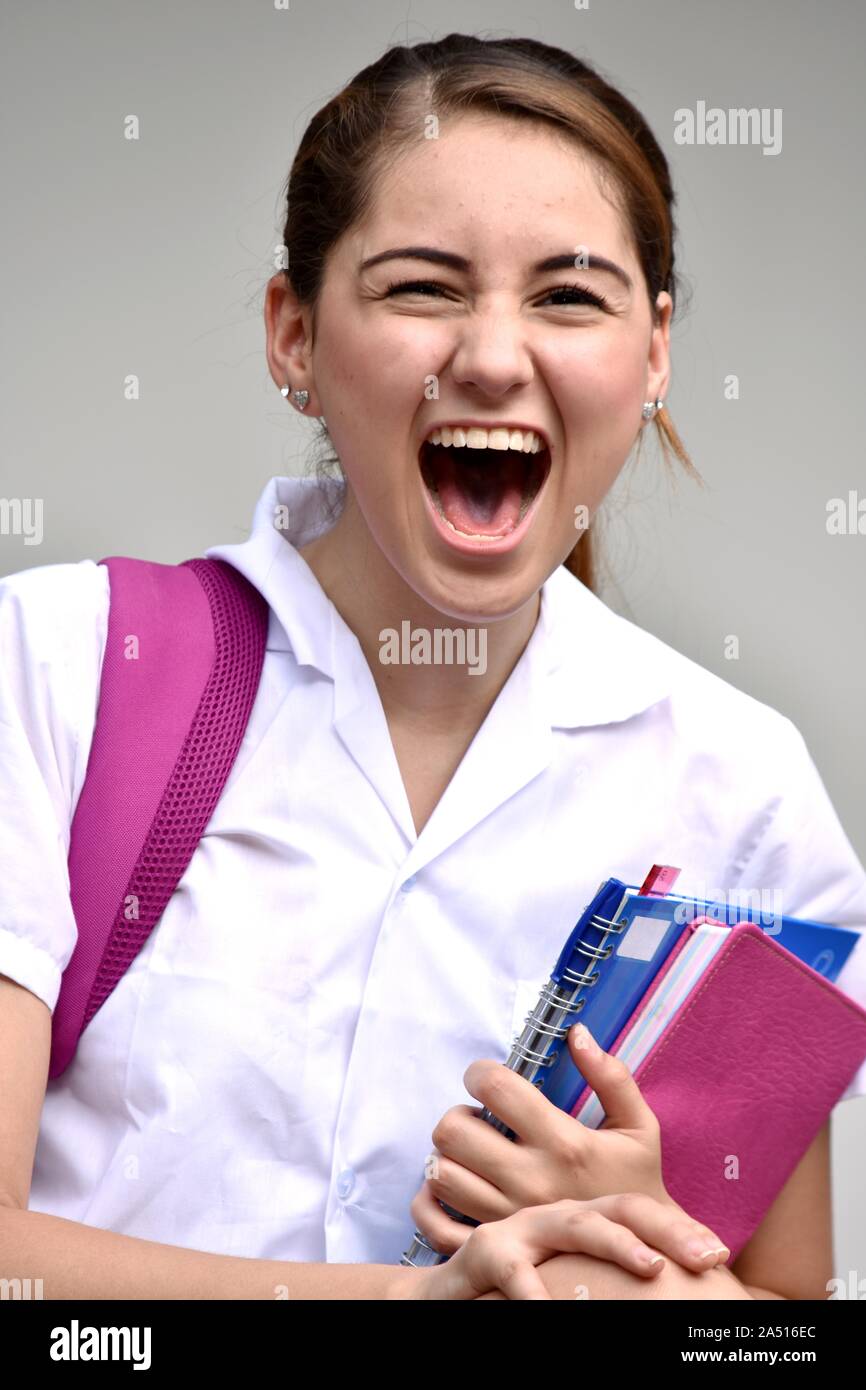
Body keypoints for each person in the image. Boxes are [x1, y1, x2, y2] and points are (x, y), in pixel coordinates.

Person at [1, 33, 864, 1301]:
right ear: (292, 335)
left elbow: (778, 1324)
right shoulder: (62, 666)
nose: (494, 356)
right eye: (421, 288)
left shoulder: (743, 788)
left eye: (569, 296)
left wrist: (658, 1266)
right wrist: (415, 1304)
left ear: (656, 352)